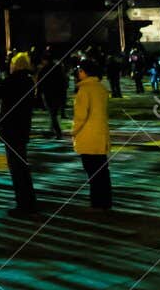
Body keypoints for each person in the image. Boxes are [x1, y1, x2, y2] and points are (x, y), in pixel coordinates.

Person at [0, 52, 38, 214]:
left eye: (12, 63)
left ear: (16, 65)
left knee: (16, 168)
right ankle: (29, 200)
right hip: (23, 127)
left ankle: (23, 204)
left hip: (11, 129)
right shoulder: (29, 81)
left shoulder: (12, 81)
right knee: (22, 166)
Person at [72, 55, 112, 210]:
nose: (78, 73)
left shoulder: (84, 90)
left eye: (80, 70)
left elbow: (80, 116)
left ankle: (97, 202)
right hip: (101, 135)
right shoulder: (101, 88)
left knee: (92, 171)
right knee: (102, 170)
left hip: (87, 136)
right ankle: (105, 201)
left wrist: (74, 131)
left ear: (85, 72)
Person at [39, 50, 68, 138]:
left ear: (45, 60)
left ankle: (58, 132)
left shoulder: (44, 69)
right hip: (58, 93)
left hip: (49, 94)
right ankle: (52, 130)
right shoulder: (58, 68)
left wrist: (39, 93)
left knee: (52, 114)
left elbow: (40, 82)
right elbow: (64, 81)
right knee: (53, 113)